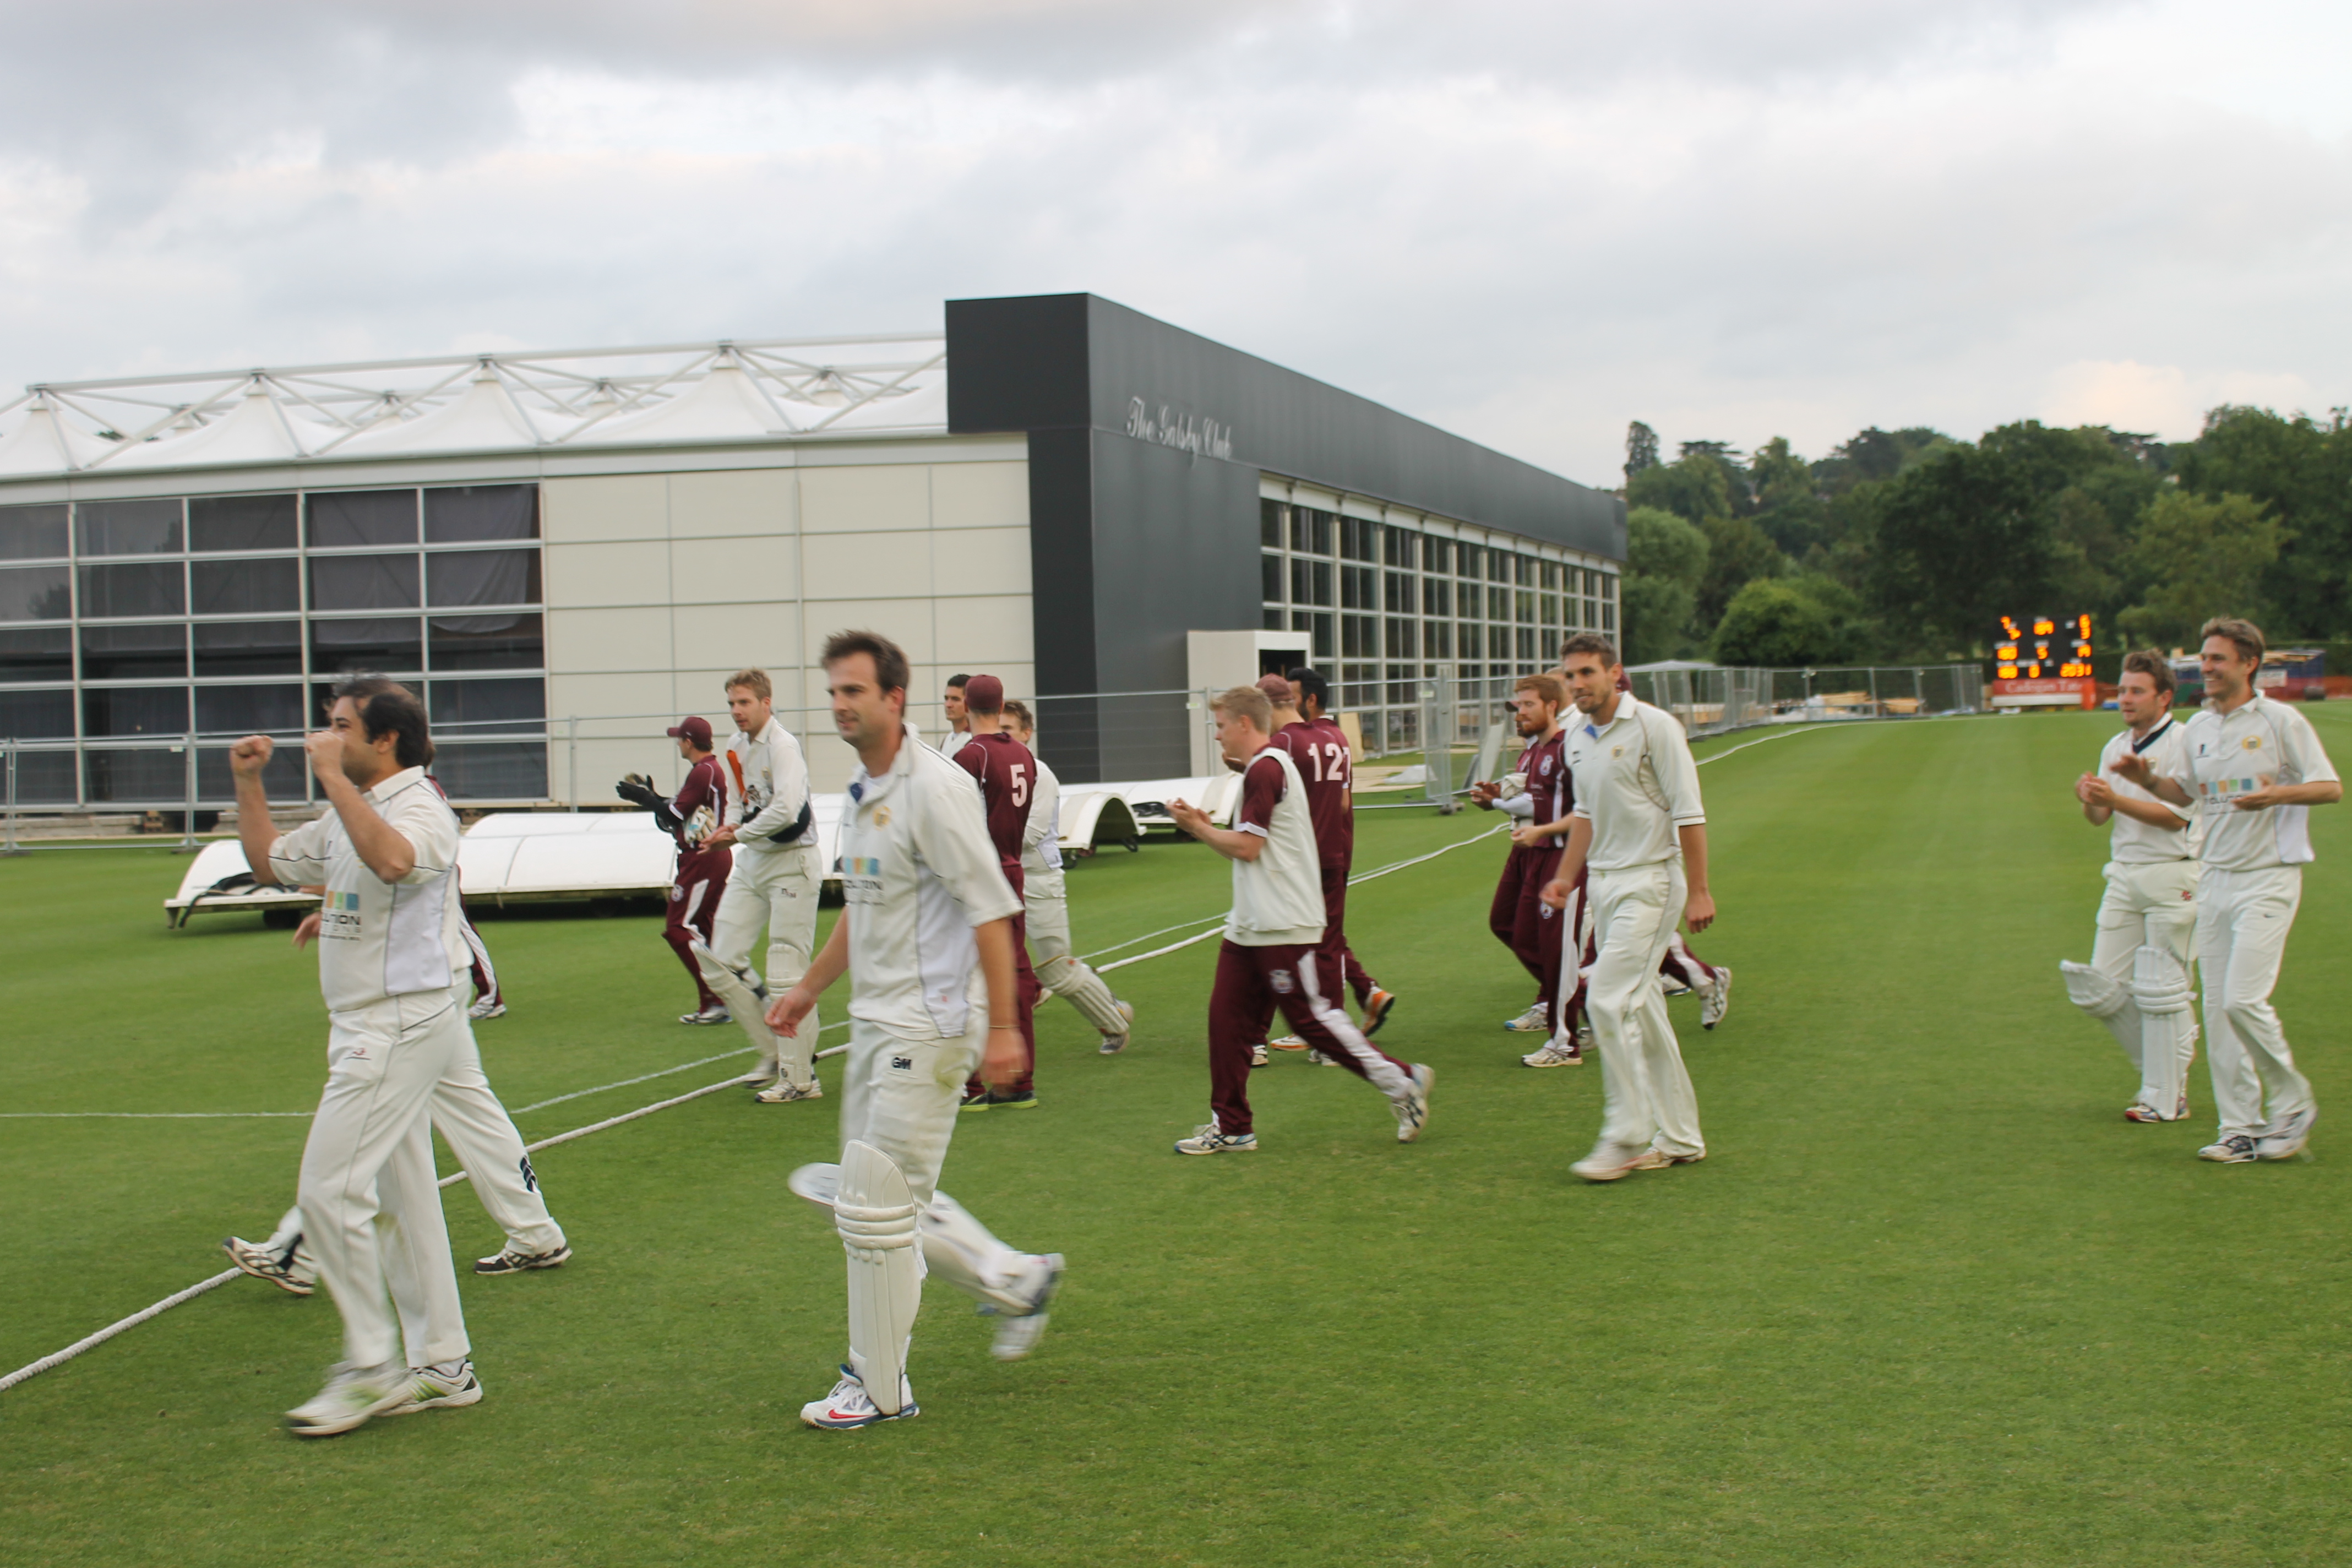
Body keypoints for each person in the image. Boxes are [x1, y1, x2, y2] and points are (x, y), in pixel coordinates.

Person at [765, 630, 1063, 1429]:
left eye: (854, 691)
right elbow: (861, 914)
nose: (840, 705)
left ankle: (876, 1384)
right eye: (833, 691)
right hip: (873, 1024)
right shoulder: (863, 794)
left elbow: (993, 909)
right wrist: (804, 992)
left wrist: (1004, 1030)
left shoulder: (937, 787)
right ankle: (1014, 1278)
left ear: (895, 699)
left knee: (875, 1212)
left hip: (927, 1028)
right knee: (879, 1204)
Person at [227, 676, 483, 1436]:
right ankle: (445, 1365)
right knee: (405, 1204)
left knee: (329, 1192)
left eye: (341, 726)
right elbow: (272, 860)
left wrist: (334, 781)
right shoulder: (353, 806)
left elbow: (398, 864)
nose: (325, 737)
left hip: (399, 1023)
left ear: (385, 740)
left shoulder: (418, 806)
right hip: (368, 1023)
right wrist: (248, 782)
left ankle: (373, 1368)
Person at [224, 894, 572, 1291]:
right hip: (436, 974)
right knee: (470, 1108)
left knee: (372, 1113)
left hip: (415, 986)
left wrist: (343, 915)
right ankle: (536, 1233)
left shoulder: (419, 835)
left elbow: (399, 870)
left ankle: (297, 1251)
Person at [2109, 617, 2340, 1162]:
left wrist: (2277, 795)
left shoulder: (2281, 719)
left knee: (2242, 999)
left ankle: (2292, 1105)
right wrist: (2144, 779)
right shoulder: (2201, 729)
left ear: (2247, 663)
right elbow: (2183, 795)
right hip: (2214, 877)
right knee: (2217, 1010)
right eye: (2204, 659)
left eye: (2217, 659)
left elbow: (2330, 787)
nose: (2206, 668)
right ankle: (2240, 1128)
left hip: (2268, 877)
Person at [1166, 684, 1433, 1155]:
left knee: (1313, 1022)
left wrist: (1199, 828)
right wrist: (1208, 824)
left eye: (1221, 725)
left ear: (1245, 724)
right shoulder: (1263, 768)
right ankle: (1232, 1126)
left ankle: (1404, 1082)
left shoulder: (1267, 768)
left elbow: (1248, 848)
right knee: (1225, 1022)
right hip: (1252, 922)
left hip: (1283, 922)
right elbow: (1251, 843)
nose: (1217, 736)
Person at [1543, 634, 1714, 1182]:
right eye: (1571, 675)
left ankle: (1626, 1132)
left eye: (1588, 672)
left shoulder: (1655, 727)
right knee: (1643, 1010)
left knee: (1609, 1000)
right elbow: (1586, 813)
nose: (1578, 684)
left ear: (1616, 673)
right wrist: (1566, 878)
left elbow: (1689, 814)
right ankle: (1682, 1137)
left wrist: (1702, 890)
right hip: (1606, 884)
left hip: (1652, 882)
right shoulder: (1575, 734)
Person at [2060, 650, 2201, 1122]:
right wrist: (2091, 799)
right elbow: (2100, 819)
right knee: (2100, 987)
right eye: (2122, 690)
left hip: (2172, 872)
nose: (2125, 699)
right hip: (2123, 874)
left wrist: (2115, 797)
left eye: (2136, 691)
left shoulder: (2184, 741)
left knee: (2164, 991)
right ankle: (2161, 1077)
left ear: (2164, 697)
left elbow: (2175, 818)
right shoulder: (2116, 745)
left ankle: (2167, 1094)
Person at [692, 669, 825, 1104]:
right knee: (719, 961)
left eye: (745, 702)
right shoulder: (735, 746)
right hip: (754, 862)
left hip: (792, 863)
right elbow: (739, 800)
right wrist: (727, 829)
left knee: (787, 972)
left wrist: (739, 834)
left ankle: (801, 1079)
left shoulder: (784, 745)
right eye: (732, 703)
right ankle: (775, 1054)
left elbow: (787, 809)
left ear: (766, 703)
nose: (737, 711)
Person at [1005, 700, 1135, 1054]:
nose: (1002, 738)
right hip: (997, 878)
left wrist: (981, 844)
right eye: (996, 730)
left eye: (1009, 731)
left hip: (1037, 879)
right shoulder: (982, 770)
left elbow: (1029, 835)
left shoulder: (1041, 774)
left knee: (1055, 970)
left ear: (1027, 734)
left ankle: (1114, 1022)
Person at [1471, 674, 1582, 1066]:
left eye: (1529, 704)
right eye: (1519, 705)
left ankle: (1566, 1043)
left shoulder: (1570, 745)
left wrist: (1540, 828)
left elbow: (1585, 810)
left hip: (1564, 856)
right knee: (1521, 933)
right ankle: (1572, 1010)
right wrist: (1496, 801)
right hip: (1536, 854)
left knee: (1560, 952)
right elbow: (1535, 801)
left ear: (1552, 706)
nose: (1520, 713)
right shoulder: (1536, 751)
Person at [949, 675, 1046, 1109]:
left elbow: (957, 821)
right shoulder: (1023, 752)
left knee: (967, 975)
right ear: (1002, 703)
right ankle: (1019, 1081)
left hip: (980, 872)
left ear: (966, 705)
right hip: (1014, 868)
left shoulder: (972, 755)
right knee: (1016, 972)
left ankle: (970, 1085)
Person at [1289, 668, 1397, 1037]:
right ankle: (1367, 993)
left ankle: (1329, 1031)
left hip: (1312, 853)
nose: (1289, 706)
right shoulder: (1338, 736)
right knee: (1324, 934)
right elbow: (1343, 800)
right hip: (1338, 848)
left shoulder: (1298, 740)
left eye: (1293, 698)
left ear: (1311, 699)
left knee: (1309, 938)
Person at [617, 716, 734, 1025]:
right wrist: (654, 799)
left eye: (679, 739)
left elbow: (675, 813)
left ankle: (715, 999)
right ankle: (725, 996)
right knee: (705, 930)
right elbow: (684, 815)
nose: (677, 744)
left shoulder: (703, 771)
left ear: (688, 742)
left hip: (703, 857)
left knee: (678, 928)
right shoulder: (707, 770)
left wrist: (645, 798)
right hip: (710, 856)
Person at [940, 673, 973, 759]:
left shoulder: (973, 740)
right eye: (946, 699)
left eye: (955, 699)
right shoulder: (947, 739)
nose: (948, 705)